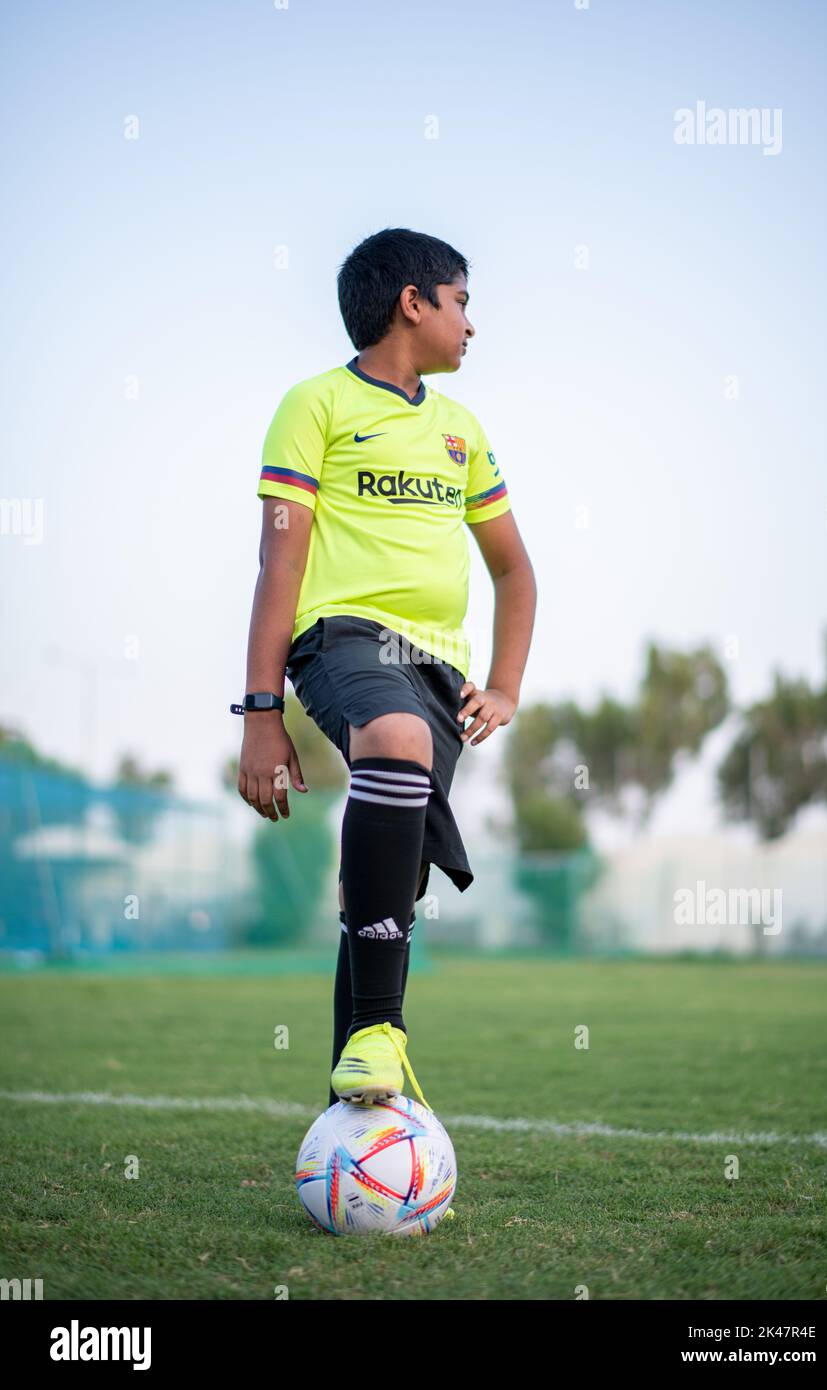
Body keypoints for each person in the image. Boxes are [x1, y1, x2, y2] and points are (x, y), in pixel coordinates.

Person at [237, 226, 536, 1122]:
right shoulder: (315, 405)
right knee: (395, 740)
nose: (472, 325)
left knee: (391, 892)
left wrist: (506, 684)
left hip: (438, 671)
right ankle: (382, 1026)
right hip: (343, 639)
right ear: (413, 302)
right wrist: (261, 712)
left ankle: (352, 1107)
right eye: (462, 302)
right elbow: (280, 564)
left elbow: (515, 570)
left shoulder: (463, 431)